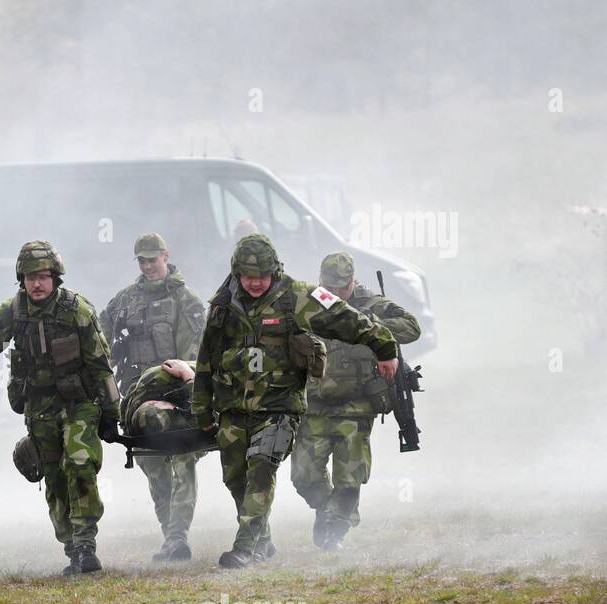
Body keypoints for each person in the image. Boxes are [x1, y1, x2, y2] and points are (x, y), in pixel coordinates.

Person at [192, 234, 398, 569]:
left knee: (261, 467)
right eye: (247, 275)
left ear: (275, 269)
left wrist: (384, 347)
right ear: (236, 273)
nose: (255, 282)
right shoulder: (222, 304)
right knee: (236, 478)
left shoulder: (299, 295)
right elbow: (206, 358)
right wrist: (201, 406)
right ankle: (262, 541)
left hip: (280, 406)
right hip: (233, 407)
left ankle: (244, 547)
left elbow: (346, 317)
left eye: (262, 275)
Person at [0, 241, 122, 575]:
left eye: (44, 276)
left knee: (79, 464)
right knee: (52, 476)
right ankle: (71, 548)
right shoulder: (14, 312)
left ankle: (85, 544)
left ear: (55, 278)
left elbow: (101, 366)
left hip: (79, 404)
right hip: (40, 408)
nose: (37, 283)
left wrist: (111, 415)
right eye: (30, 276)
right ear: (21, 279)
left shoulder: (76, 310)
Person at [291, 252, 422, 550]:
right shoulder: (309, 304)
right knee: (304, 476)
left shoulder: (370, 304)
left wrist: (371, 324)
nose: (336, 294)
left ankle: (336, 529)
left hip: (357, 405)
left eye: (342, 287)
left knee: (349, 478)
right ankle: (328, 511)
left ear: (352, 281)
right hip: (315, 404)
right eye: (330, 287)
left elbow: (412, 327)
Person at [100, 232, 208, 561]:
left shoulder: (185, 301)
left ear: (166, 255)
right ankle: (170, 536)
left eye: (153, 259)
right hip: (135, 403)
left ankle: (178, 536)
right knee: (153, 464)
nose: (148, 266)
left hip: (178, 398)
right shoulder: (123, 302)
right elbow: (100, 344)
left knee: (181, 459)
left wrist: (182, 391)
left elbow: (198, 356)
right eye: (142, 260)